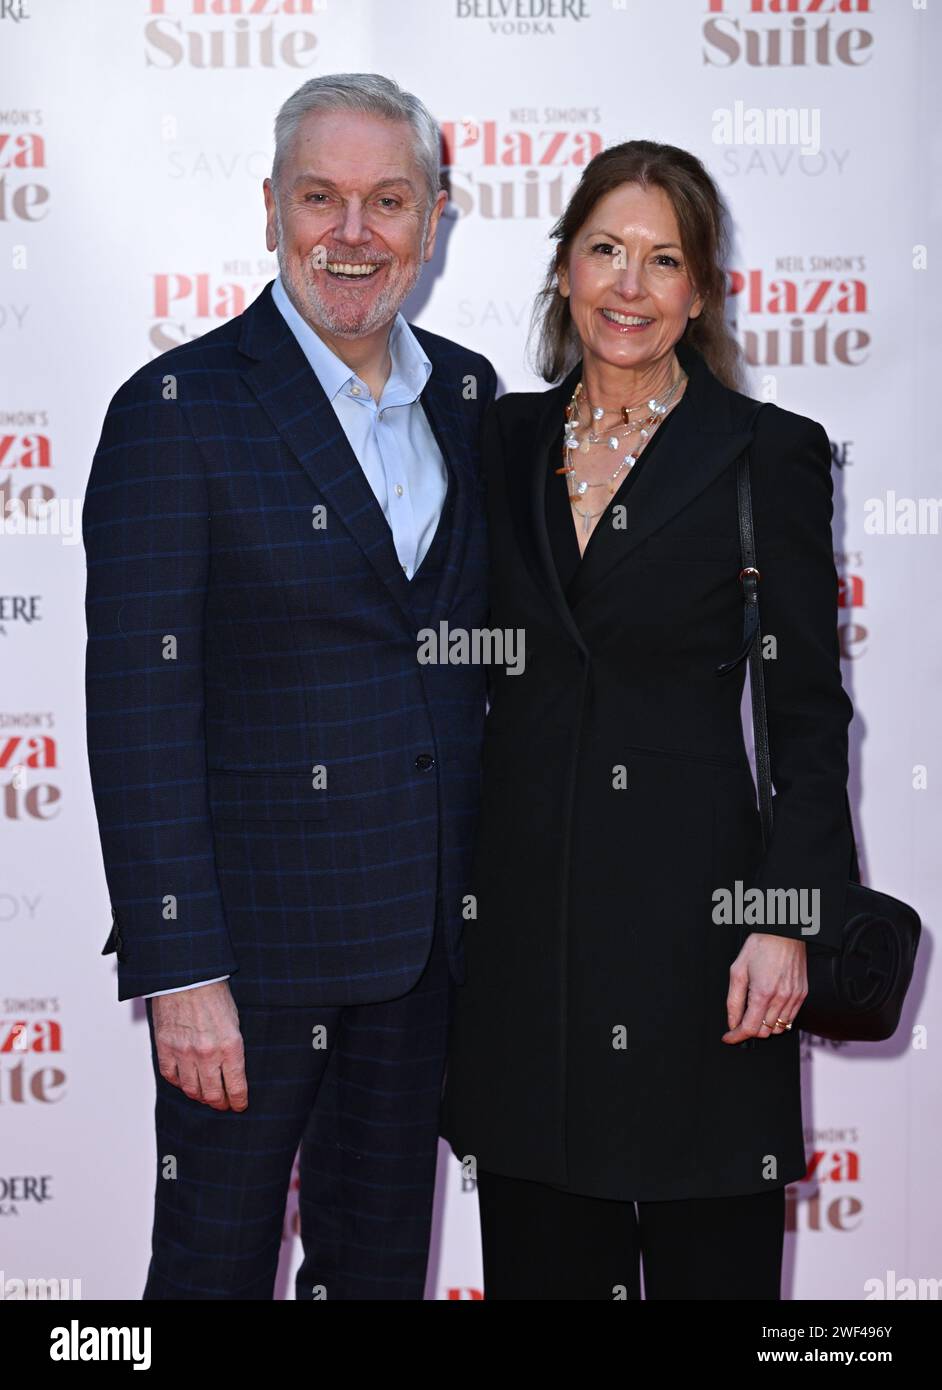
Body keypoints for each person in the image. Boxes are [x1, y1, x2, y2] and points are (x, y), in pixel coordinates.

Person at [83, 73, 495, 1300]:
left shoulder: (474, 400)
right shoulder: (178, 411)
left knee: (375, 1276)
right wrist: (180, 972)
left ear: (433, 219)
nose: (353, 234)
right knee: (209, 1273)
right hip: (247, 972)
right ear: (271, 208)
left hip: (423, 957)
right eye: (321, 198)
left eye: (387, 200)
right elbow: (137, 711)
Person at [440, 140, 855, 1301]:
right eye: (606, 251)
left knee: (711, 1267)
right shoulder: (497, 441)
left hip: (704, 940)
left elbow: (807, 713)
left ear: (702, 288)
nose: (630, 286)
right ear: (564, 267)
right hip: (529, 939)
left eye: (663, 260)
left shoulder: (763, 454)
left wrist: (786, 917)